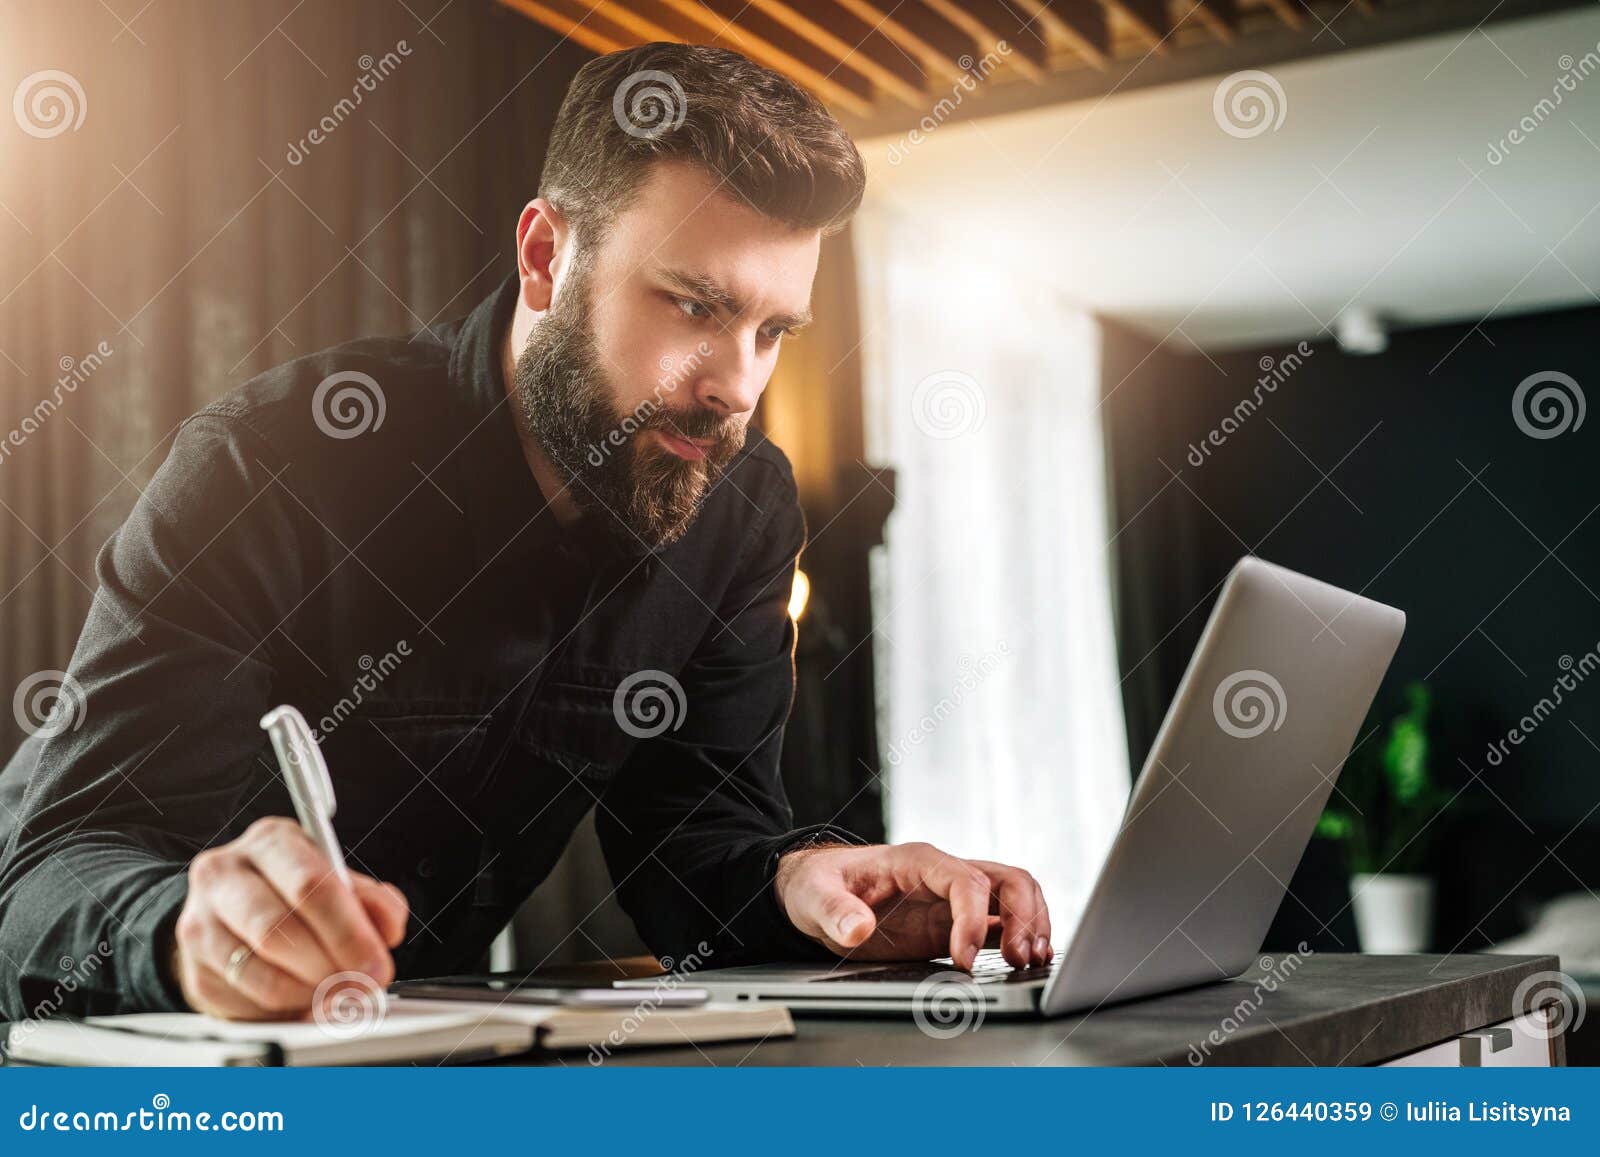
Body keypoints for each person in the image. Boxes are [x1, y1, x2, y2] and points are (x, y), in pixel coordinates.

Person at [0, 42, 1051, 1023]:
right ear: (545, 256)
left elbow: (696, 849)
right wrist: (182, 934)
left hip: (413, 1053)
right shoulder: (266, 463)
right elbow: (48, 867)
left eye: (772, 331)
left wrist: (805, 887)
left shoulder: (741, 504)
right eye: (692, 305)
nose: (737, 386)